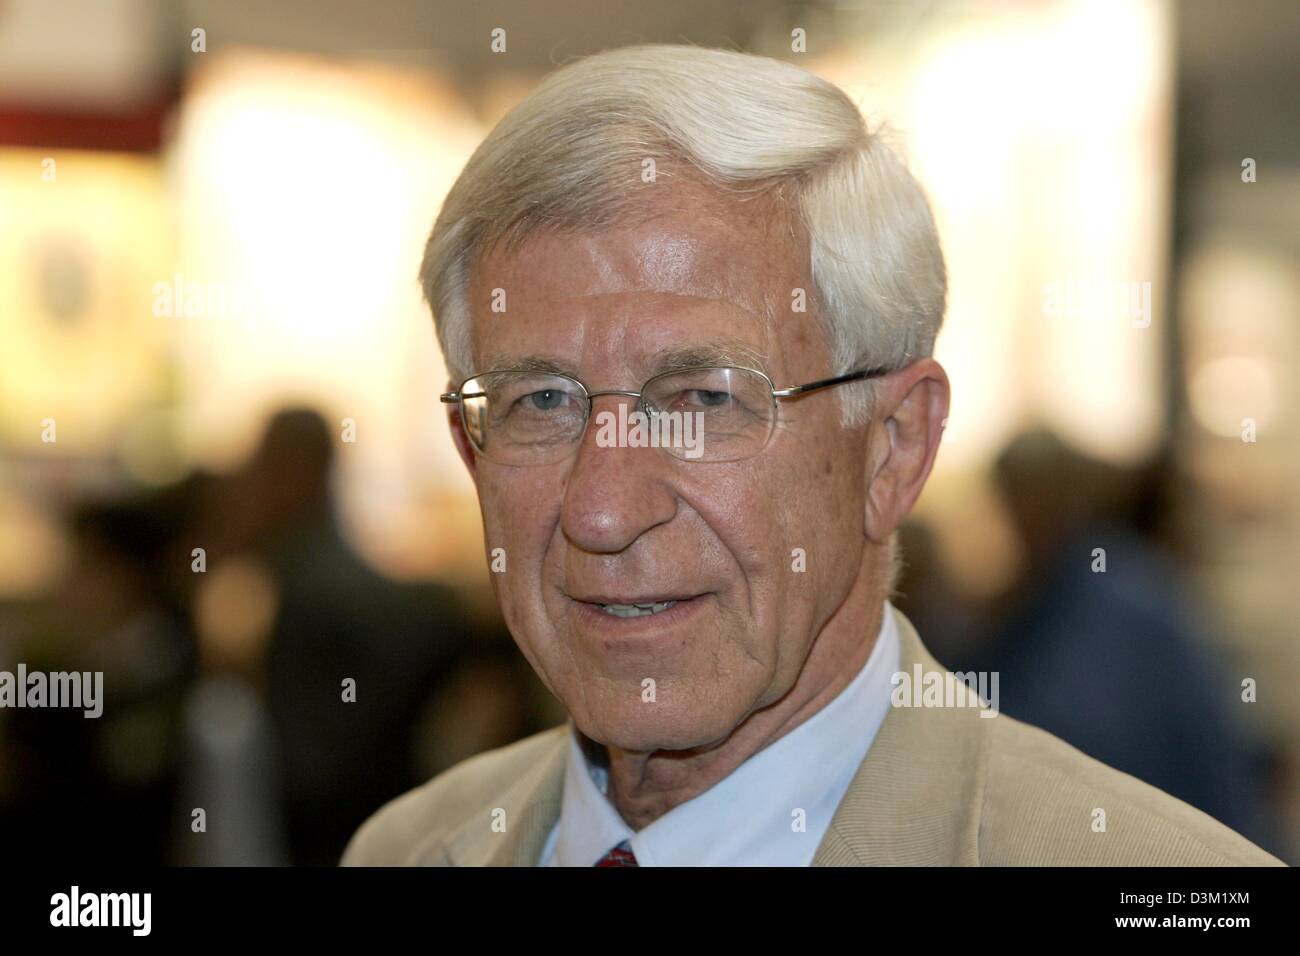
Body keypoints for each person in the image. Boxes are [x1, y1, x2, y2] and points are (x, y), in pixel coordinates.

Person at [341, 44, 1283, 866]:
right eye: (540, 401)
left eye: (703, 400)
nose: (601, 508)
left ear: (893, 448)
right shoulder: (408, 848)